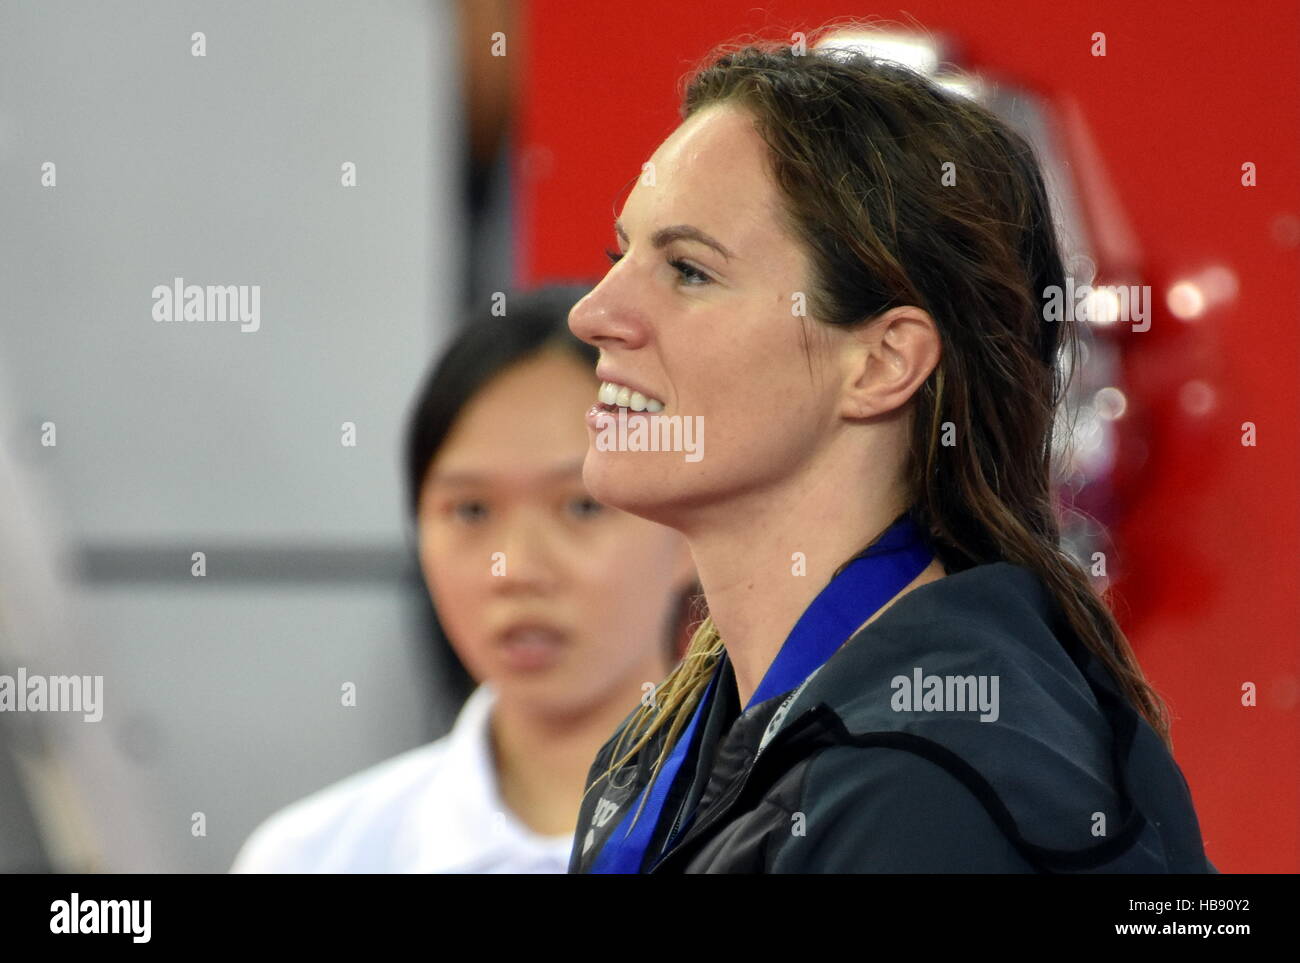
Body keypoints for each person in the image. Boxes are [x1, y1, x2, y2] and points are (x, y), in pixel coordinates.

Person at [565, 26, 1216, 873]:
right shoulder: (664, 749)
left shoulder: (929, 785)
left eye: (689, 270)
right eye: (621, 256)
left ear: (882, 362)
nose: (591, 314)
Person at [231, 285, 697, 873]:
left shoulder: (795, 837)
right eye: (471, 511)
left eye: (581, 507)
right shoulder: (316, 858)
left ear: (687, 530)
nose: (518, 570)